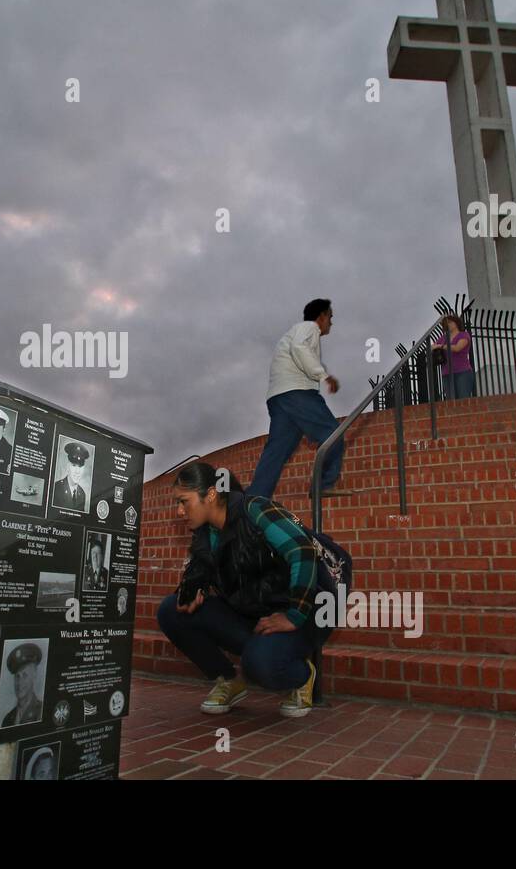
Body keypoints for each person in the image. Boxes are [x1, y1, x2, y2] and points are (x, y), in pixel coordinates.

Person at [156, 461, 318, 718]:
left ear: (210, 494)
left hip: (288, 617)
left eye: (183, 501)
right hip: (250, 617)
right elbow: (205, 572)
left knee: (260, 664)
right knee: (170, 611)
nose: (179, 511)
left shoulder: (256, 509)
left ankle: (302, 675)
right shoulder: (205, 534)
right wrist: (193, 589)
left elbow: (303, 550)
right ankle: (230, 680)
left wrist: (294, 615)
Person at [248, 299, 349, 500]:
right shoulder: (309, 328)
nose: (331, 322)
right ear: (321, 316)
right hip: (298, 393)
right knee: (332, 434)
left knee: (276, 451)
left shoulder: (295, 331)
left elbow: (297, 351)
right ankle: (323, 484)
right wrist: (323, 375)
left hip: (279, 396)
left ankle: (254, 499)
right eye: (330, 317)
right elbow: (299, 348)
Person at [432, 314, 476, 400]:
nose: (448, 324)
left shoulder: (463, 335)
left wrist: (440, 346)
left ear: (456, 322)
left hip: (463, 372)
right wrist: (435, 347)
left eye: (450, 322)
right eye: (446, 323)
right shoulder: (443, 338)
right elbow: (433, 346)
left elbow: (457, 348)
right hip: (446, 373)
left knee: (464, 399)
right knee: (451, 401)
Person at [1, 643, 44, 726]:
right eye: (17, 676)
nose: (20, 682)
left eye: (25, 675)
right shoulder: (7, 719)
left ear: (34, 676)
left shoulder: (42, 712)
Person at [52, 442, 90, 512]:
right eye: (74, 465)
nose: (77, 471)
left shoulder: (82, 494)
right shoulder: (56, 489)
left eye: (80, 467)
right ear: (68, 466)